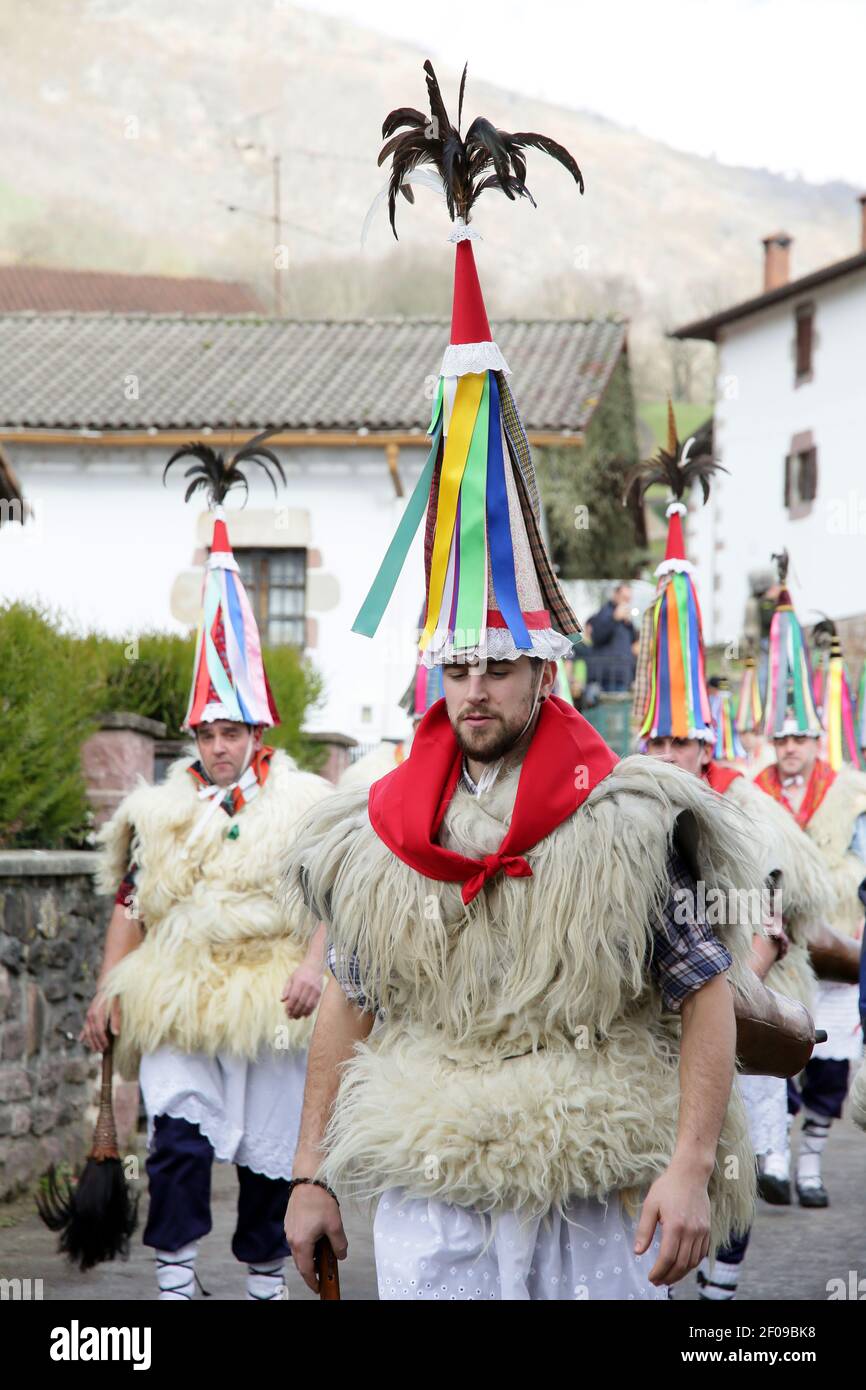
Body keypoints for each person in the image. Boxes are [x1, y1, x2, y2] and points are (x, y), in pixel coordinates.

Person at [277, 67, 781, 1301]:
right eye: (454, 662)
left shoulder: (621, 828)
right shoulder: (383, 832)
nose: (472, 686)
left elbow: (704, 991)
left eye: (496, 660)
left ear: (544, 659)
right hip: (436, 1193)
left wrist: (688, 1161)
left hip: (577, 1201)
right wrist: (309, 1173)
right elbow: (344, 999)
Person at [81, 440, 333, 1300]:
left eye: (232, 730)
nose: (219, 745)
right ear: (195, 735)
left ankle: (264, 1277)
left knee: (269, 1147)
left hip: (270, 995)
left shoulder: (301, 805)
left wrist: (311, 965)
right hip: (182, 985)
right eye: (207, 731)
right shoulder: (156, 809)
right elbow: (131, 903)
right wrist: (110, 987)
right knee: (179, 1140)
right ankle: (178, 1278)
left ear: (257, 730)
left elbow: (335, 899)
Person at [638, 413, 828, 1300]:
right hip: (652, 1029)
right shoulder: (623, 815)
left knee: (738, 1161)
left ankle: (722, 1308)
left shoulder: (749, 814)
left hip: (741, 1011)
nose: (675, 758)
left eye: (686, 742)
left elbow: (768, 927)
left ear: (705, 735)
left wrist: (724, 990)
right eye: (661, 744)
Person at [754, 558, 866, 1207]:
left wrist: (824, 898)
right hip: (780, 953)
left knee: (829, 1067)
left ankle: (813, 1165)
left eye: (800, 735)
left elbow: (859, 865)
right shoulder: (755, 793)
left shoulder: (848, 793)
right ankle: (773, 1153)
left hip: (836, 949)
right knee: (778, 1057)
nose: (791, 746)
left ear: (815, 736)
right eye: (783, 736)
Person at [585, 582, 638, 692]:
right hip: (606, 676)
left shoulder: (627, 620)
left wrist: (629, 625)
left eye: (629, 598)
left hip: (623, 675)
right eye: (624, 597)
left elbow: (633, 644)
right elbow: (596, 637)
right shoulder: (604, 613)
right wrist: (614, 619)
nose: (626, 601)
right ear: (615, 594)